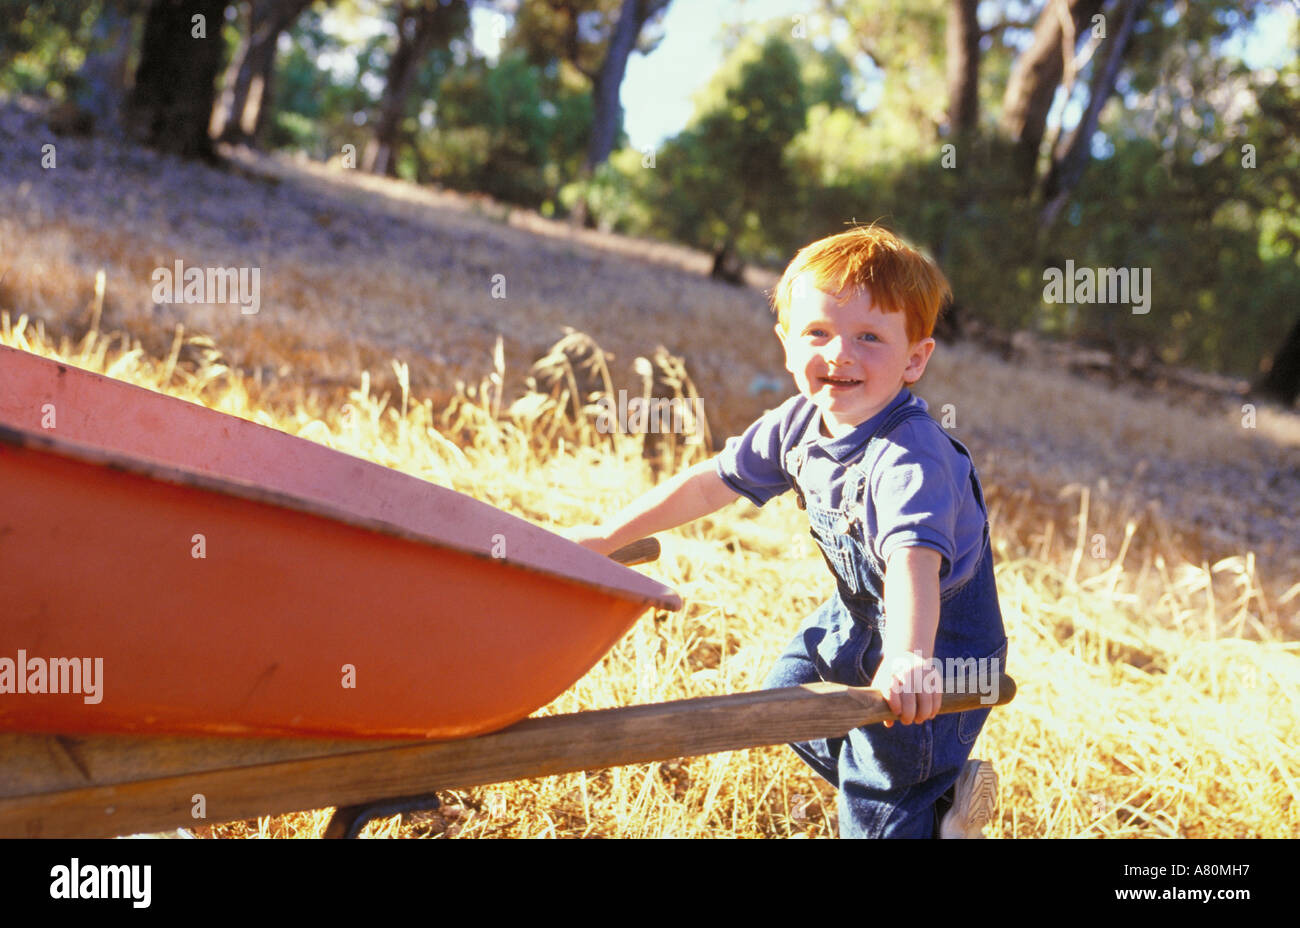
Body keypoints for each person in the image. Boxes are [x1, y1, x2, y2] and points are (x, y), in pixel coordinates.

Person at [566, 225, 1007, 838]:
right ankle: (936, 811)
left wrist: (910, 657)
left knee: (879, 789)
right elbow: (707, 483)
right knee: (785, 703)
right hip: (860, 616)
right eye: (819, 332)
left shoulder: (909, 456)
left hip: (940, 642)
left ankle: (911, 810)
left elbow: (912, 560)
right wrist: (608, 534)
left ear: (915, 359)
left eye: (869, 338)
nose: (840, 354)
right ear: (786, 344)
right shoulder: (799, 421)